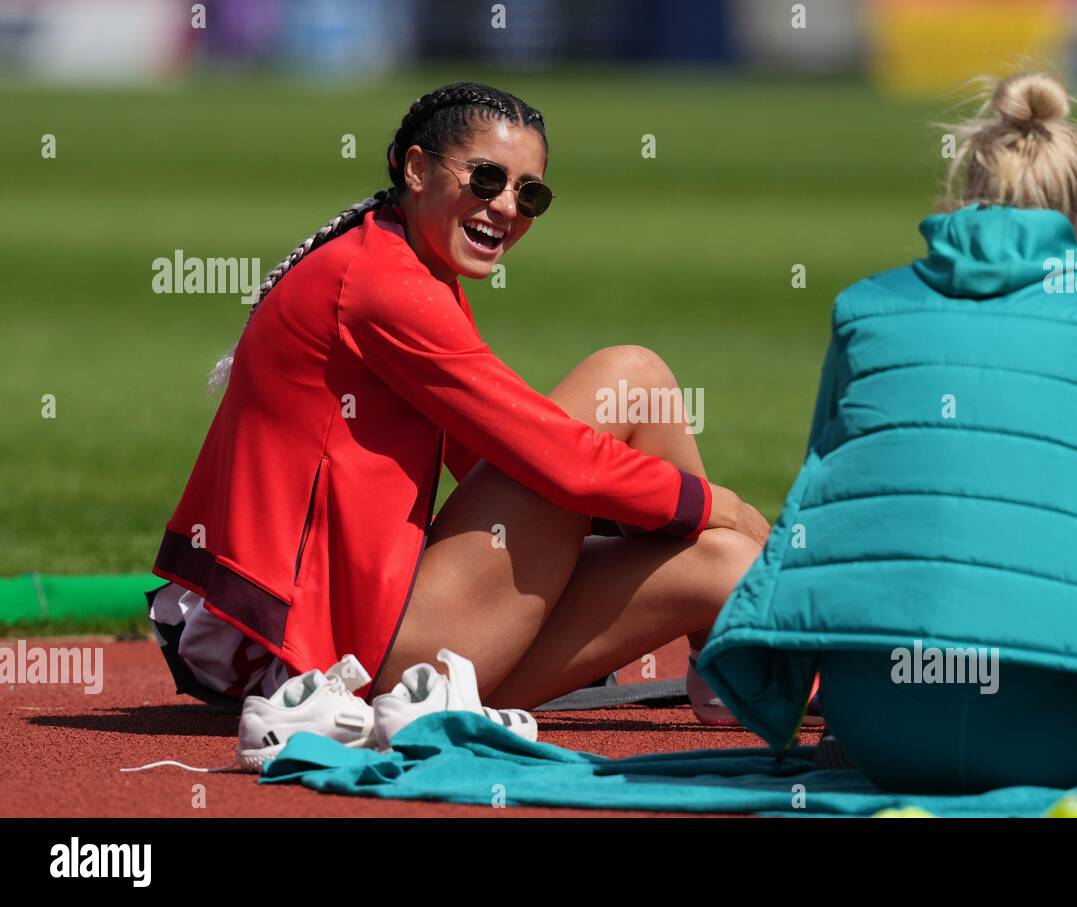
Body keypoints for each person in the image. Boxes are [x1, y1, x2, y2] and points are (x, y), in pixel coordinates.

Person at [147, 82, 768, 727]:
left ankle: (734, 666)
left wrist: (681, 526)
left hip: (364, 629)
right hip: (339, 664)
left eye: (530, 193)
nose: (505, 206)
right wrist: (727, 509)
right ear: (416, 169)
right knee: (690, 482)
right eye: (487, 177)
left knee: (723, 559)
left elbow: (491, 462)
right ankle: (765, 659)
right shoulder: (384, 285)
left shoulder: (401, 262)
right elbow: (556, 462)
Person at [698, 71, 1077, 791]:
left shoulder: (863, 310)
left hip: (875, 727)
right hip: (1068, 736)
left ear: (960, 201)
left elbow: (820, 536)